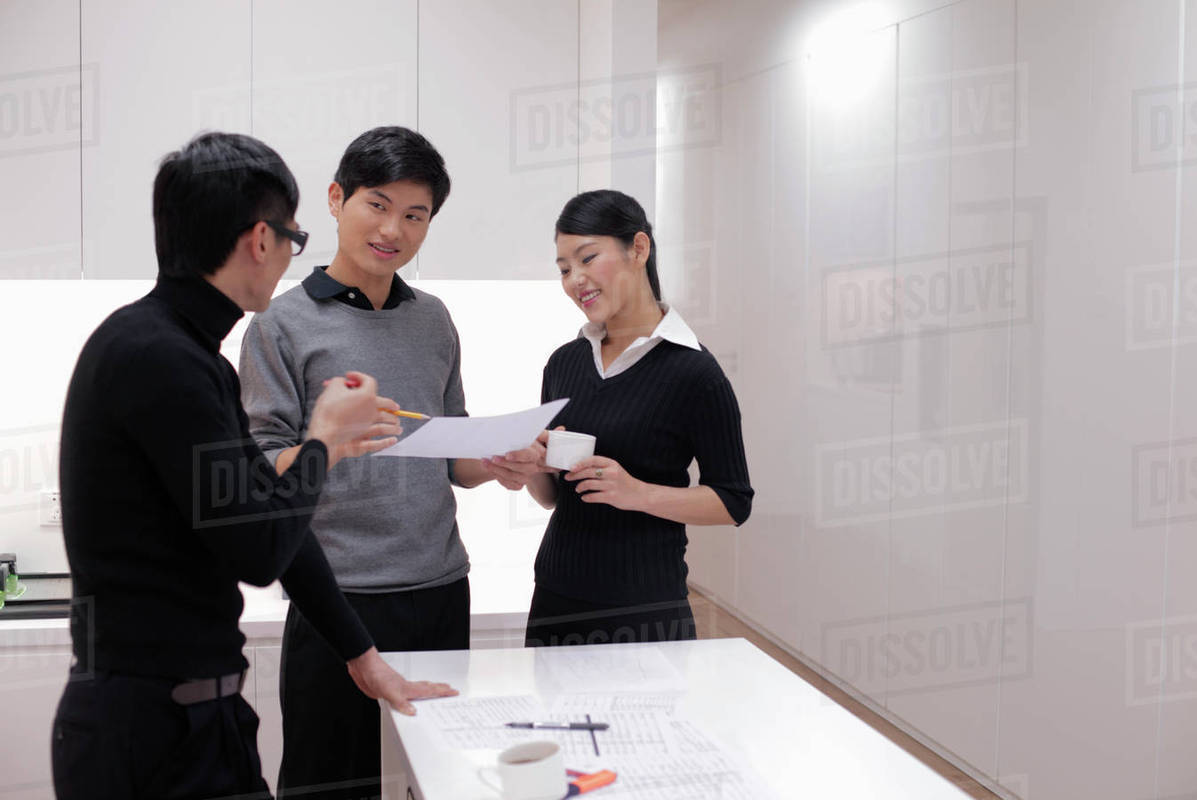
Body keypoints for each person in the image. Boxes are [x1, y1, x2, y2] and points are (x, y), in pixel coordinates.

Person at [51, 131, 455, 800]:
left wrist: (363, 659)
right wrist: (322, 440)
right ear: (261, 240)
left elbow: (275, 527)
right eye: (292, 239)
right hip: (147, 732)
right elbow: (259, 546)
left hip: (196, 717)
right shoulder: (160, 358)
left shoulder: (185, 353)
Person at [239, 125, 540, 800]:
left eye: (415, 215)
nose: (393, 230)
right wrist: (326, 441)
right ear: (336, 199)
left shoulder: (434, 319)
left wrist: (492, 460)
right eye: (377, 204)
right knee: (327, 782)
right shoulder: (277, 326)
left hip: (437, 587)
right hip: (333, 597)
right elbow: (261, 473)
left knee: (441, 776)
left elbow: (450, 454)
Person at [481, 189, 754, 647]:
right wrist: (531, 466)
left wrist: (638, 493)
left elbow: (733, 502)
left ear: (639, 249)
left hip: (646, 609)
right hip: (556, 598)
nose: (575, 280)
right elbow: (553, 498)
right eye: (565, 269)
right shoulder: (563, 362)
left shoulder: (694, 372)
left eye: (588, 258)